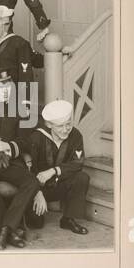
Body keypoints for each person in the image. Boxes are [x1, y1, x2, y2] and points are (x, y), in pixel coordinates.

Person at [0, 68, 42, 248]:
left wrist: (10, 146)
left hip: (11, 159)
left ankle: (5, 229)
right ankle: (8, 229)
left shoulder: (20, 108)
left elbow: (27, 140)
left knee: (31, 182)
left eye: (8, 84)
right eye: (0, 85)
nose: (6, 89)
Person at [24, 99, 91, 235]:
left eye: (68, 124)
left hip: (60, 184)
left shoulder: (75, 135)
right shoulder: (36, 138)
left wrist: (54, 171)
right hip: (39, 187)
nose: (66, 129)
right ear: (49, 124)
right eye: (60, 126)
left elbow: (77, 163)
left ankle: (68, 219)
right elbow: (28, 170)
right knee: (35, 224)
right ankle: (27, 212)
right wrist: (36, 192)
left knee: (82, 177)